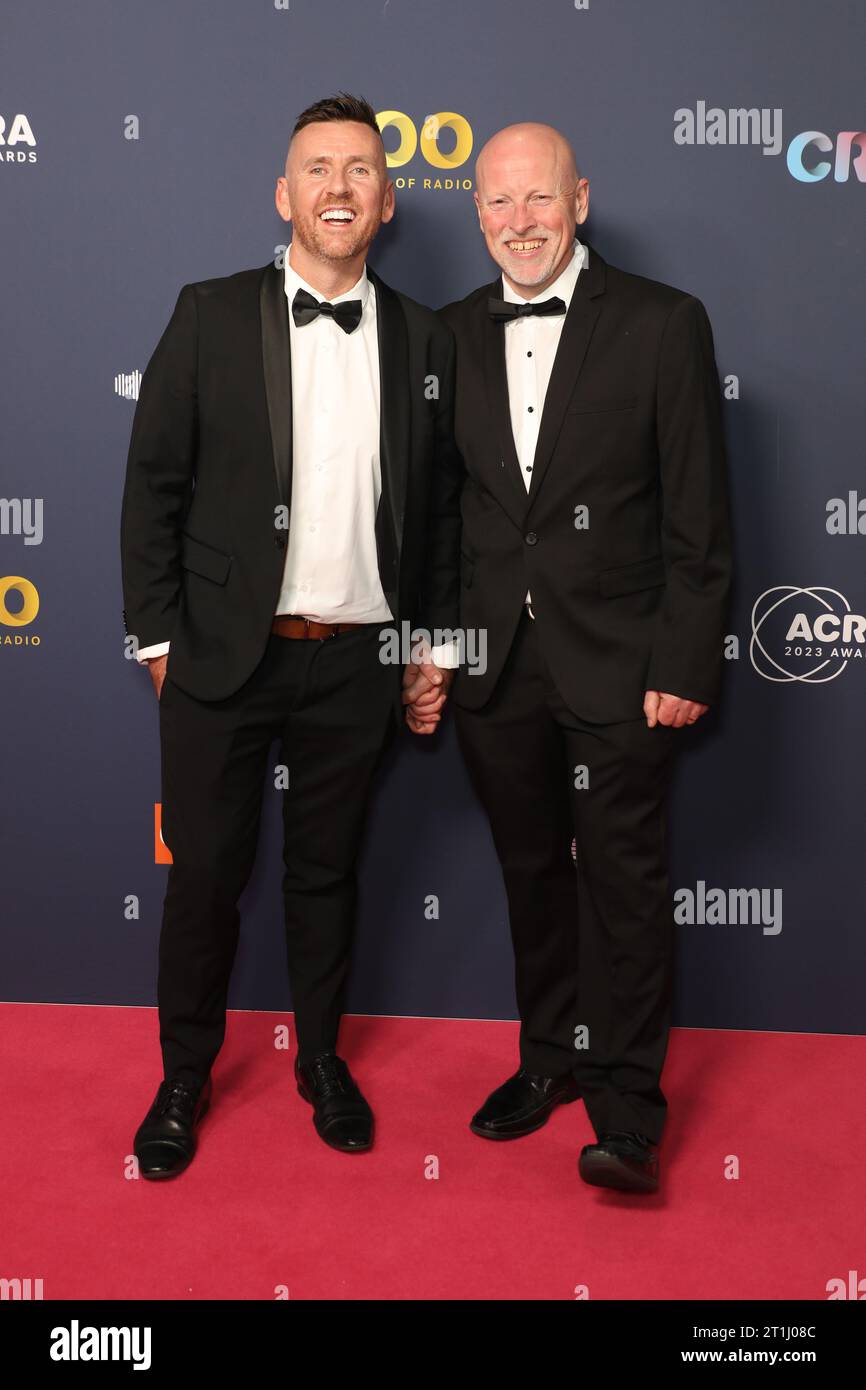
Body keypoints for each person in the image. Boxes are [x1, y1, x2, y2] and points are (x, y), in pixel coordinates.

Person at [120, 92, 461, 1178]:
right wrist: (157, 639)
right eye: (317, 168)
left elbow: (444, 511)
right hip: (223, 655)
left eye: (358, 169)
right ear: (283, 194)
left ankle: (321, 1061)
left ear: (387, 198)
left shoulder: (422, 334)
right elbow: (151, 489)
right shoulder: (209, 313)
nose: (337, 188)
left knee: (327, 874)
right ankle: (183, 1073)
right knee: (205, 877)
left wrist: (431, 647)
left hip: (358, 660)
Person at [409, 122, 732, 1193]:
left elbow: (698, 520)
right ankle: (545, 1059)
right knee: (529, 878)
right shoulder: (447, 334)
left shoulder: (661, 323)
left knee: (625, 891)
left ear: (579, 199)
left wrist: (684, 662)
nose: (518, 222)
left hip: (623, 666)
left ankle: (628, 1110)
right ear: (478, 216)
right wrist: (438, 656)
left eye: (537, 198)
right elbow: (440, 526)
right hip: (496, 669)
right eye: (496, 204)